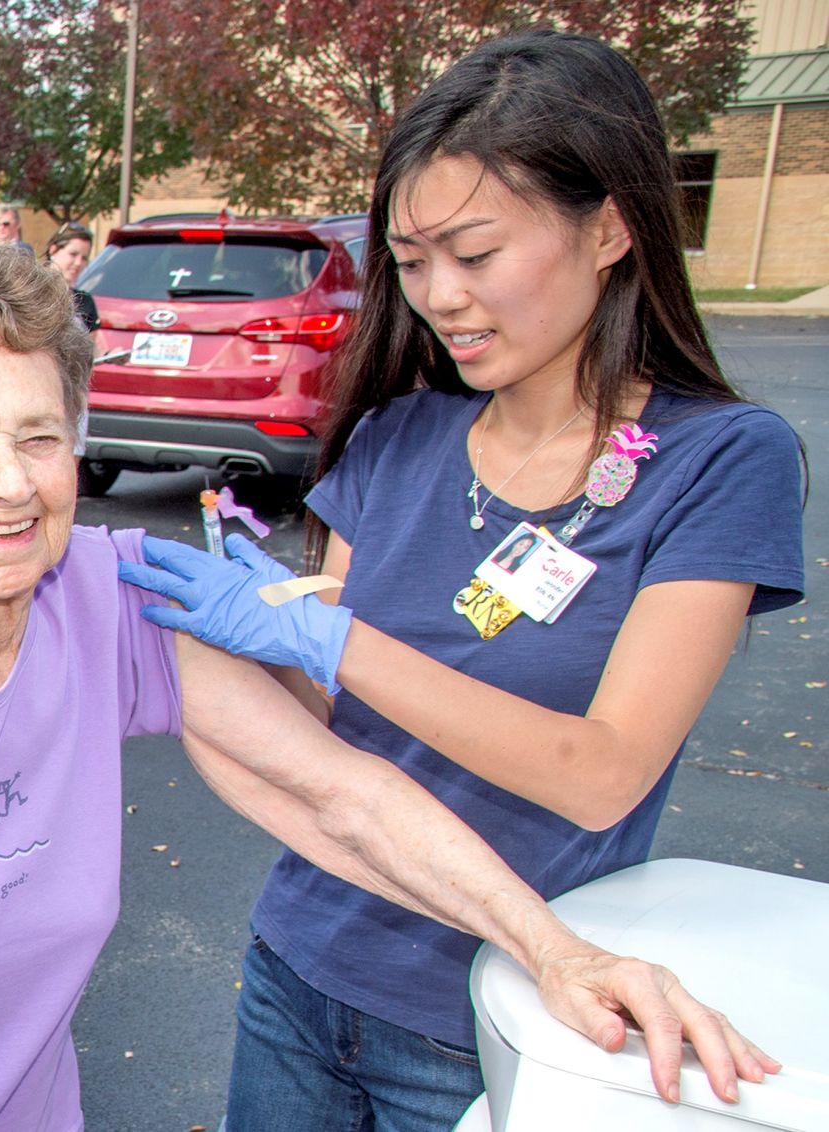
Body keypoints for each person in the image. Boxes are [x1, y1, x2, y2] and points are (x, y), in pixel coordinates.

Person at [0, 246, 772, 1130]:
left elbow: (334, 789)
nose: (9, 484)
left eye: (38, 436)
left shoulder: (101, 591)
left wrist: (557, 952)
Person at [119, 31, 804, 1129]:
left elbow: (602, 772)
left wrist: (331, 637)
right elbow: (329, 726)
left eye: (474, 252)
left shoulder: (720, 461)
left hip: (492, 1015)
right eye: (410, 257)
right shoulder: (395, 436)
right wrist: (259, 632)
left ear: (611, 228)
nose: (438, 293)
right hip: (296, 970)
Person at [45, 222, 98, 332]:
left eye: (84, 258)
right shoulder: (30, 292)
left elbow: (92, 347)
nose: (78, 263)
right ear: (53, 250)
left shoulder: (85, 301)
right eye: (73, 254)